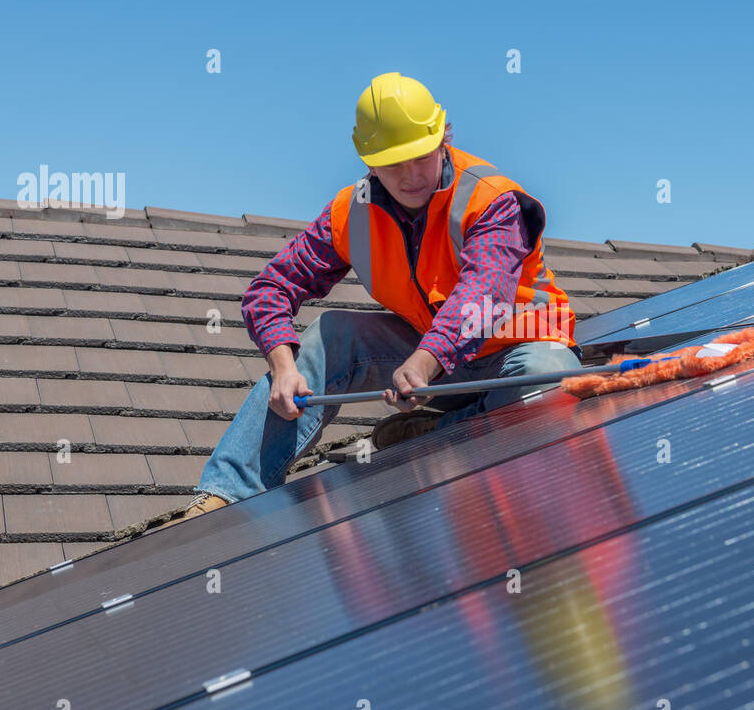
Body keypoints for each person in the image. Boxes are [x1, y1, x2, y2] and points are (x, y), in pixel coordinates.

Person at [161, 72, 581, 527]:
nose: (410, 176)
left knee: (551, 379)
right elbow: (270, 290)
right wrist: (283, 366)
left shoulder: (491, 199)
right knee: (332, 334)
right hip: (433, 360)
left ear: (442, 139)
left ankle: (440, 433)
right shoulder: (351, 212)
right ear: (369, 162)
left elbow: (484, 297)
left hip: (518, 352)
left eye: (420, 157)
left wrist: (424, 362)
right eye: (392, 163)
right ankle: (226, 497)